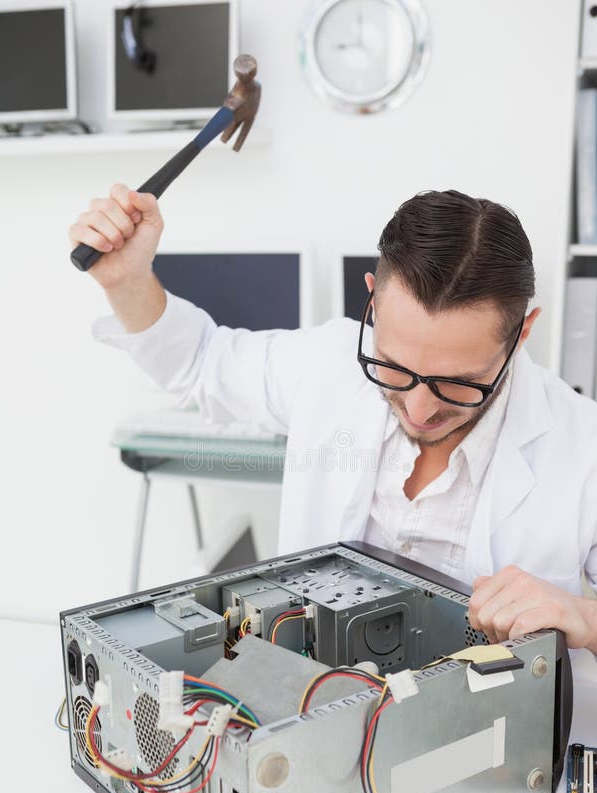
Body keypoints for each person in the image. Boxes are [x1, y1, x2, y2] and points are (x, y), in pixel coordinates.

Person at [70, 185, 597, 654]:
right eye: (392, 368)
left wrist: (586, 618)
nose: (419, 409)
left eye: (459, 382)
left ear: (522, 333)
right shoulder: (327, 361)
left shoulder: (582, 446)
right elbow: (201, 361)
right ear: (373, 299)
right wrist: (126, 281)